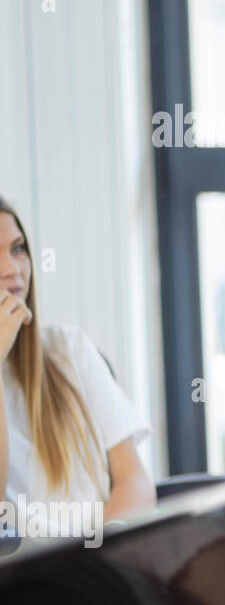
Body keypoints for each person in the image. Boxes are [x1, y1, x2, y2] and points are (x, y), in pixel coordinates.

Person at [1, 196, 155, 537]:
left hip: (105, 563)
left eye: (17, 248)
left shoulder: (68, 348)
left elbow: (134, 481)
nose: (13, 269)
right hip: (29, 580)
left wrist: (104, 557)